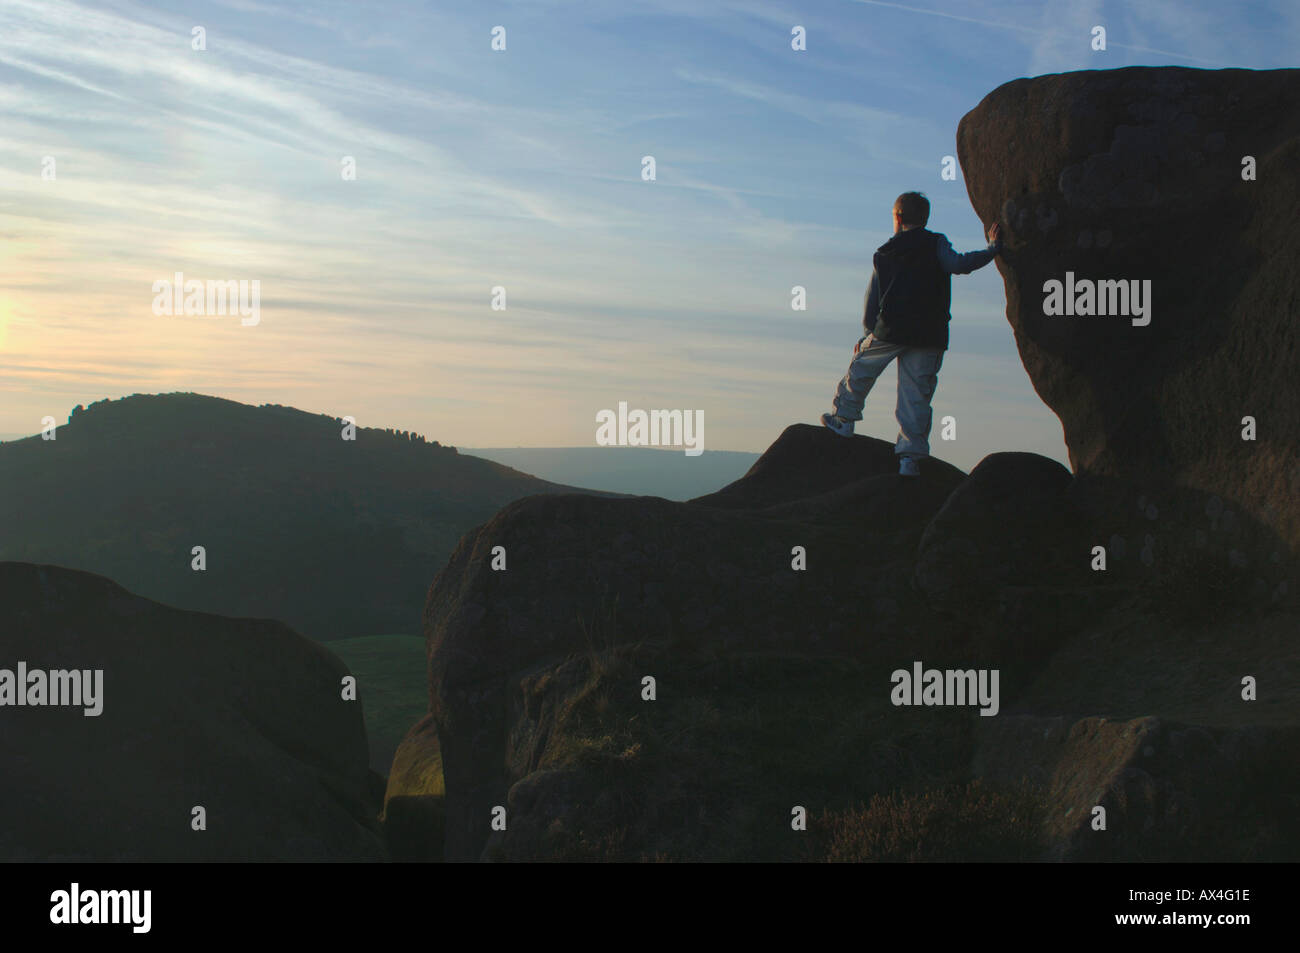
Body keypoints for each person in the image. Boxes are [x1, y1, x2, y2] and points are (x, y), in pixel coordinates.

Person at [821, 191, 1002, 476]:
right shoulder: (936, 243)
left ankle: (844, 419)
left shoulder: (884, 253)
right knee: (916, 396)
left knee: (860, 371)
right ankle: (910, 459)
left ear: (898, 218)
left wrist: (866, 334)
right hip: (929, 334)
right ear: (926, 218)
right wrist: (992, 249)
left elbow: (872, 299)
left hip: (890, 329)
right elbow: (959, 265)